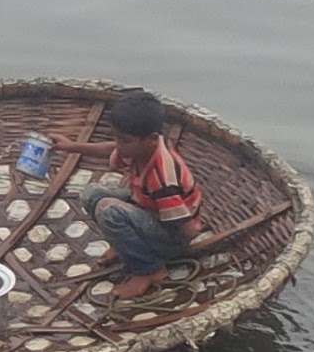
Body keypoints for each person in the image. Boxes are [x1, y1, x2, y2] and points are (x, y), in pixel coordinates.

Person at [49, 89, 205, 300]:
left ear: (150, 139)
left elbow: (189, 231)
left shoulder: (163, 178)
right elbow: (110, 148)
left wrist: (173, 245)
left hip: (172, 235)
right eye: (117, 138)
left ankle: (148, 269)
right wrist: (71, 146)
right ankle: (127, 245)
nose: (119, 146)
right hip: (147, 212)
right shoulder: (140, 148)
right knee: (91, 192)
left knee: (109, 210)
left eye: (124, 141)